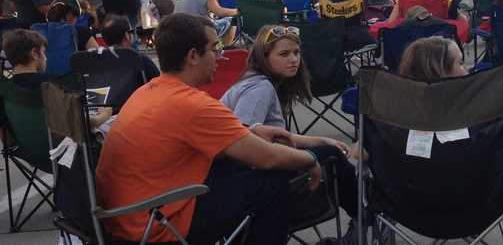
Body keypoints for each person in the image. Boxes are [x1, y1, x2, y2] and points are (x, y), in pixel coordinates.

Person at [96, 14, 331, 245]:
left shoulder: (148, 91)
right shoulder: (193, 104)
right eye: (215, 48)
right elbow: (268, 158)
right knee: (272, 180)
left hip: (124, 216)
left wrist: (253, 131)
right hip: (156, 224)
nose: (221, 56)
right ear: (193, 56)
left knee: (237, 168)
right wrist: (309, 159)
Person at [221, 25, 359, 238]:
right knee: (332, 158)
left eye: (296, 52)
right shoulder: (259, 89)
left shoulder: (255, 82)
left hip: (245, 173)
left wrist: (321, 140)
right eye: (284, 54)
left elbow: (272, 134)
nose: (294, 59)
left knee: (327, 149)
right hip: (252, 179)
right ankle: (365, 214)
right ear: (264, 57)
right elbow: (241, 134)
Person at [397, 36, 503, 158]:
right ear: (443, 74)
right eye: (460, 63)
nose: (467, 69)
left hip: (410, 188)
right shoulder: (483, 114)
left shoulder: (393, 119)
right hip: (479, 188)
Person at [99, 15, 160, 80]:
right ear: (126, 36)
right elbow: (159, 83)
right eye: (131, 32)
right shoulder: (141, 61)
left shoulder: (100, 64)